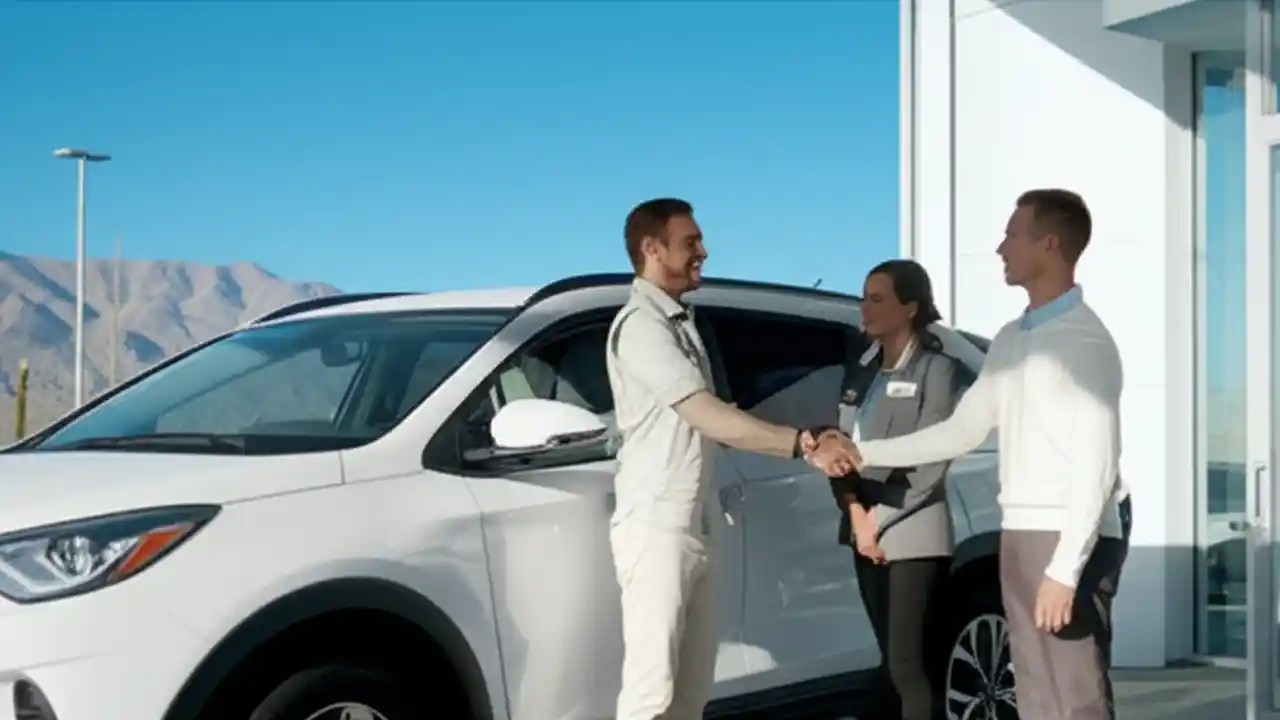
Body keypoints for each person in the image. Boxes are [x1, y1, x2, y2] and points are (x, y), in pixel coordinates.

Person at [810, 189, 1130, 720]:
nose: (1000, 248)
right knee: (1033, 687)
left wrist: (1065, 571)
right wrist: (859, 454)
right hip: (1022, 531)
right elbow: (960, 432)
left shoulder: (1084, 341)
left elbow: (1097, 464)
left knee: (1076, 696)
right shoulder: (1012, 338)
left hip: (1070, 537)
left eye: (1011, 234)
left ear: (1049, 244)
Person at [605, 197, 853, 720]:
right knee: (651, 694)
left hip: (700, 522)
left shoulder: (681, 322)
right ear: (652, 249)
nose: (704, 251)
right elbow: (708, 415)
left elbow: (723, 413)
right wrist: (803, 444)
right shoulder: (642, 327)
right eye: (690, 242)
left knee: (691, 696)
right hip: (658, 525)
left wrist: (815, 429)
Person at [828, 259, 962, 720]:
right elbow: (839, 450)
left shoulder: (938, 371)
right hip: (863, 529)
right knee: (887, 666)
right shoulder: (862, 372)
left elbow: (930, 464)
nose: (864, 307)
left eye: (877, 299)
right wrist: (855, 514)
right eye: (864, 297)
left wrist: (876, 523)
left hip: (912, 530)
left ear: (910, 307)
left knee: (910, 666)